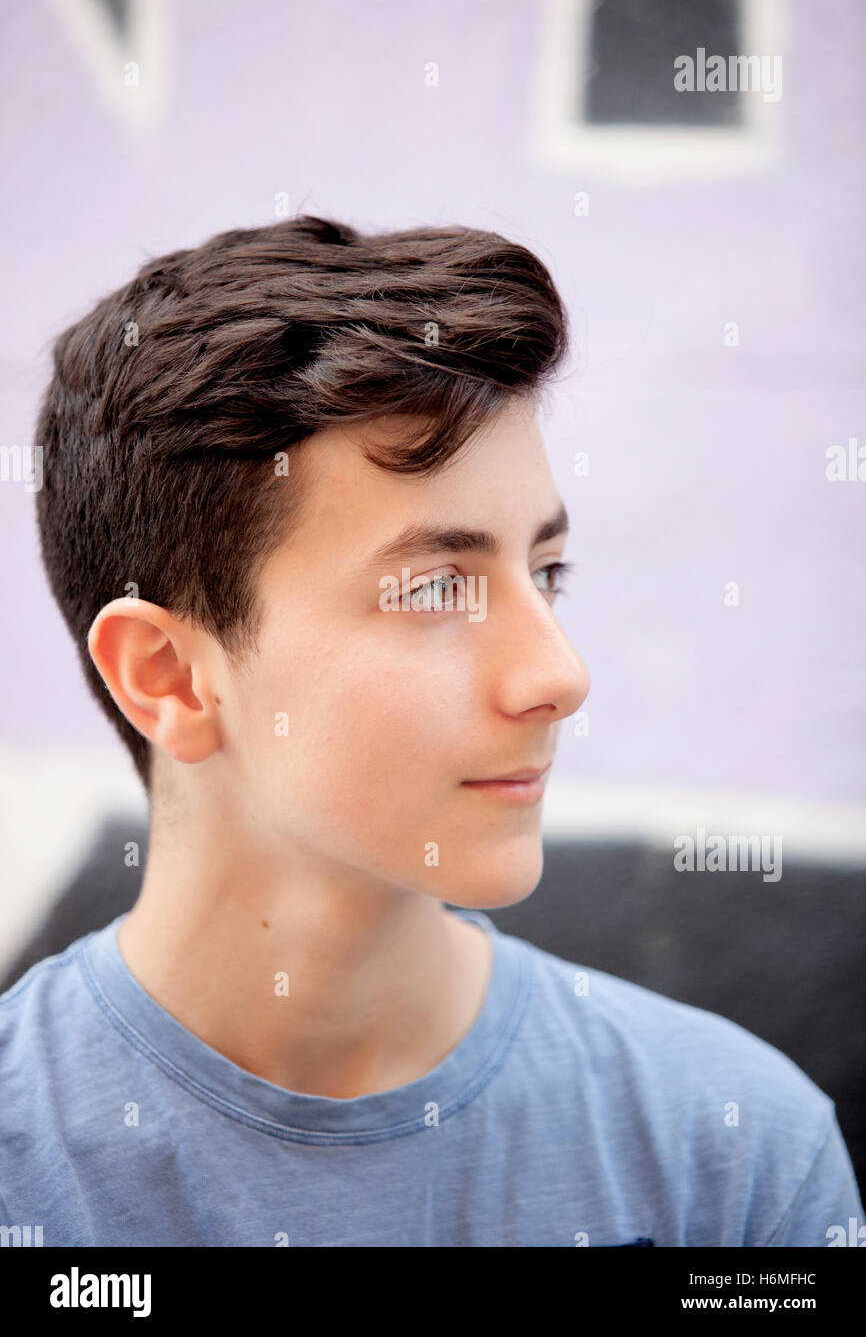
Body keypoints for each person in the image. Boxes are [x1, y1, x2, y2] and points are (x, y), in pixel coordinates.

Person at [0, 215, 861, 1247]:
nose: (557, 675)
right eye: (435, 586)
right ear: (170, 675)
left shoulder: (730, 1161)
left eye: (545, 573)